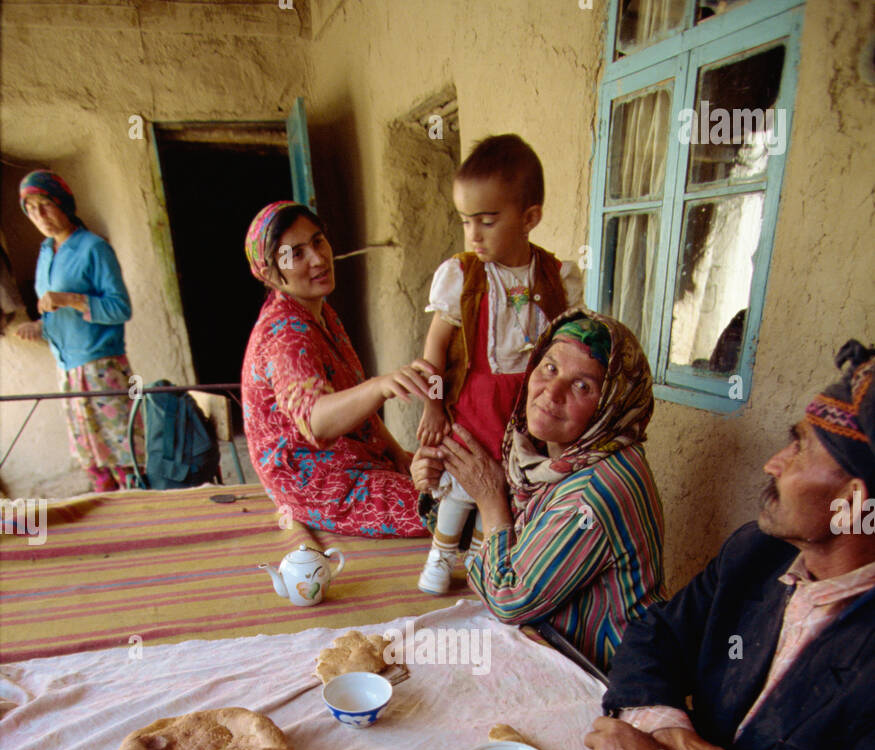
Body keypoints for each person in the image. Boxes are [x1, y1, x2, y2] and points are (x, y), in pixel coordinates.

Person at [584, 340, 875, 750]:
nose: (774, 462)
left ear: (854, 501)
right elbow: (656, 636)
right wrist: (670, 730)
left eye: (800, 449)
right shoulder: (759, 555)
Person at [412, 308, 665, 672]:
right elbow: (499, 540)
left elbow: (509, 598)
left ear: (610, 404)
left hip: (605, 677)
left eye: (582, 386)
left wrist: (488, 497)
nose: (552, 392)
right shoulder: (546, 456)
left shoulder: (594, 490)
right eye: (549, 368)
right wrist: (441, 483)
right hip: (553, 644)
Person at [416, 134, 581, 593]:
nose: (474, 234)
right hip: (473, 403)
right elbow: (432, 354)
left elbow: (566, 349)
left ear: (529, 218)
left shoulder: (556, 277)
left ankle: (481, 563)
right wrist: (432, 407)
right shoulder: (463, 277)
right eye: (467, 221)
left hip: (525, 410)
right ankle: (439, 556)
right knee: (463, 481)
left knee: (504, 488)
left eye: (487, 221)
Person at [241, 201, 432, 537]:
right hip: (315, 483)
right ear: (270, 272)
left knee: (446, 478)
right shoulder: (285, 334)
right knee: (446, 511)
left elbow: (358, 412)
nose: (317, 259)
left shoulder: (322, 316)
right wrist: (379, 387)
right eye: (296, 254)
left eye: (318, 241)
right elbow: (317, 422)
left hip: (351, 462)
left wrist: (397, 454)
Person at [16, 170, 143, 491]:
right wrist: (39, 326)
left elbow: (120, 308)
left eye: (45, 205)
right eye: (31, 209)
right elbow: (56, 312)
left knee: (124, 457)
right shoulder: (47, 252)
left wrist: (71, 298)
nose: (39, 216)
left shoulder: (92, 248)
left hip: (103, 369)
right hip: (68, 373)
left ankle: (140, 525)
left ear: (63, 204)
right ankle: (112, 530)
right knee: (93, 460)